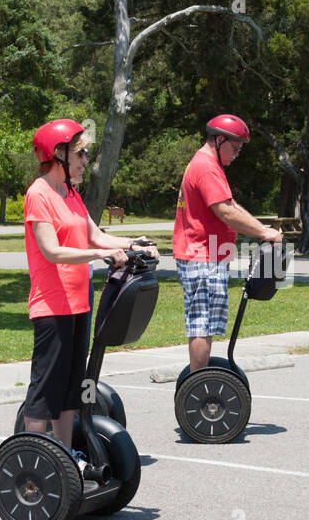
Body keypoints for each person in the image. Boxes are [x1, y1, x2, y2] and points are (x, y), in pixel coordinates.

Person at [21, 119, 157, 450]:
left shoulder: (70, 194)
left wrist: (131, 245)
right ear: (58, 154)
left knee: (71, 389)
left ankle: (65, 457)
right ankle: (34, 462)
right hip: (52, 306)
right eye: (80, 154)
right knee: (45, 390)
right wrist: (100, 254)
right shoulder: (38, 194)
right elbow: (51, 250)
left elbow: (95, 235)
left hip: (79, 302)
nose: (85, 161)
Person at [172, 114, 283, 372]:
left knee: (206, 324)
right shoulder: (207, 167)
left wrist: (262, 228)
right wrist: (263, 233)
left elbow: (231, 205)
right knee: (202, 325)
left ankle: (198, 383)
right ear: (220, 140)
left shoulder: (208, 165)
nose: (238, 153)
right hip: (201, 256)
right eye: (236, 147)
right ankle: (198, 386)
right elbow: (225, 212)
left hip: (205, 255)